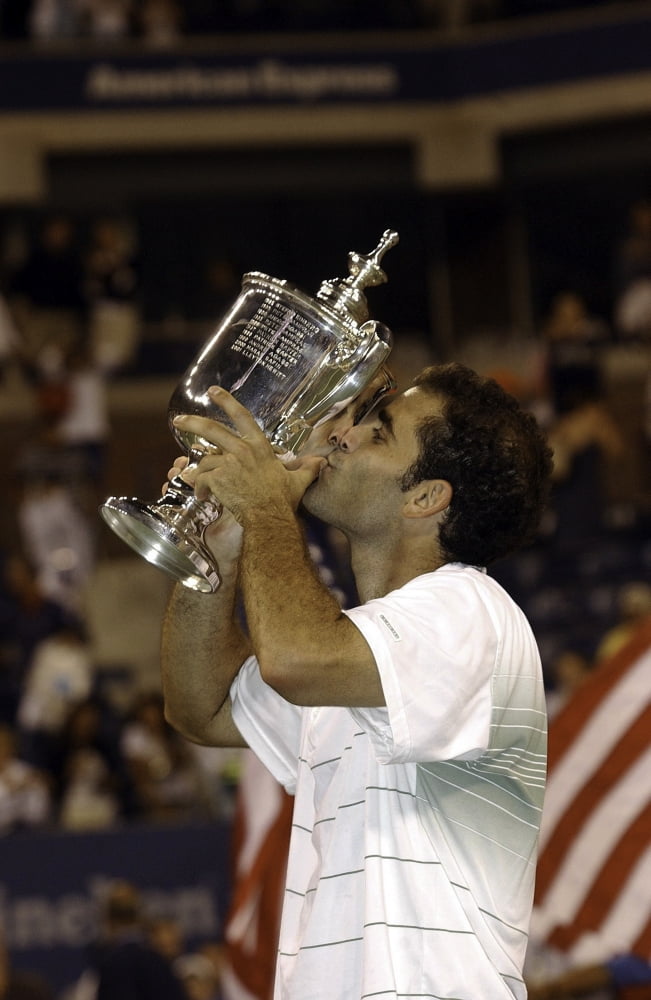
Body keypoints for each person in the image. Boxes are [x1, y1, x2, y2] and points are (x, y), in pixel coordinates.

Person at [160, 362, 553, 1000]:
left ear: (426, 497)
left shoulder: (471, 612)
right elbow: (198, 708)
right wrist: (219, 548)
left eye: (378, 432)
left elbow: (295, 660)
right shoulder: (363, 651)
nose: (341, 433)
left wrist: (264, 505)